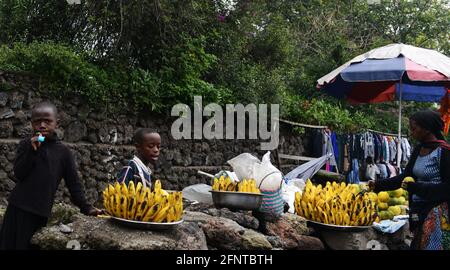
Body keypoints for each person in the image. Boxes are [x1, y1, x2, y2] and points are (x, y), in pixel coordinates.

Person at [0, 101, 102, 250]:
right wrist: (31, 150)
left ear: (57, 123)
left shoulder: (63, 153)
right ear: (31, 123)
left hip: (40, 212)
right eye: (37, 121)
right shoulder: (26, 144)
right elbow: (19, 174)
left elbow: (73, 184)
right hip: (18, 208)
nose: (42, 125)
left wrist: (87, 207)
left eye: (47, 121)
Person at [369, 110, 450, 250]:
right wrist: (377, 185)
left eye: (414, 128)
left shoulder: (444, 151)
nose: (411, 133)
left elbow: (447, 188)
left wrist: (416, 187)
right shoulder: (418, 149)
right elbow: (405, 177)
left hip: (436, 211)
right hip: (418, 209)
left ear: (427, 129)